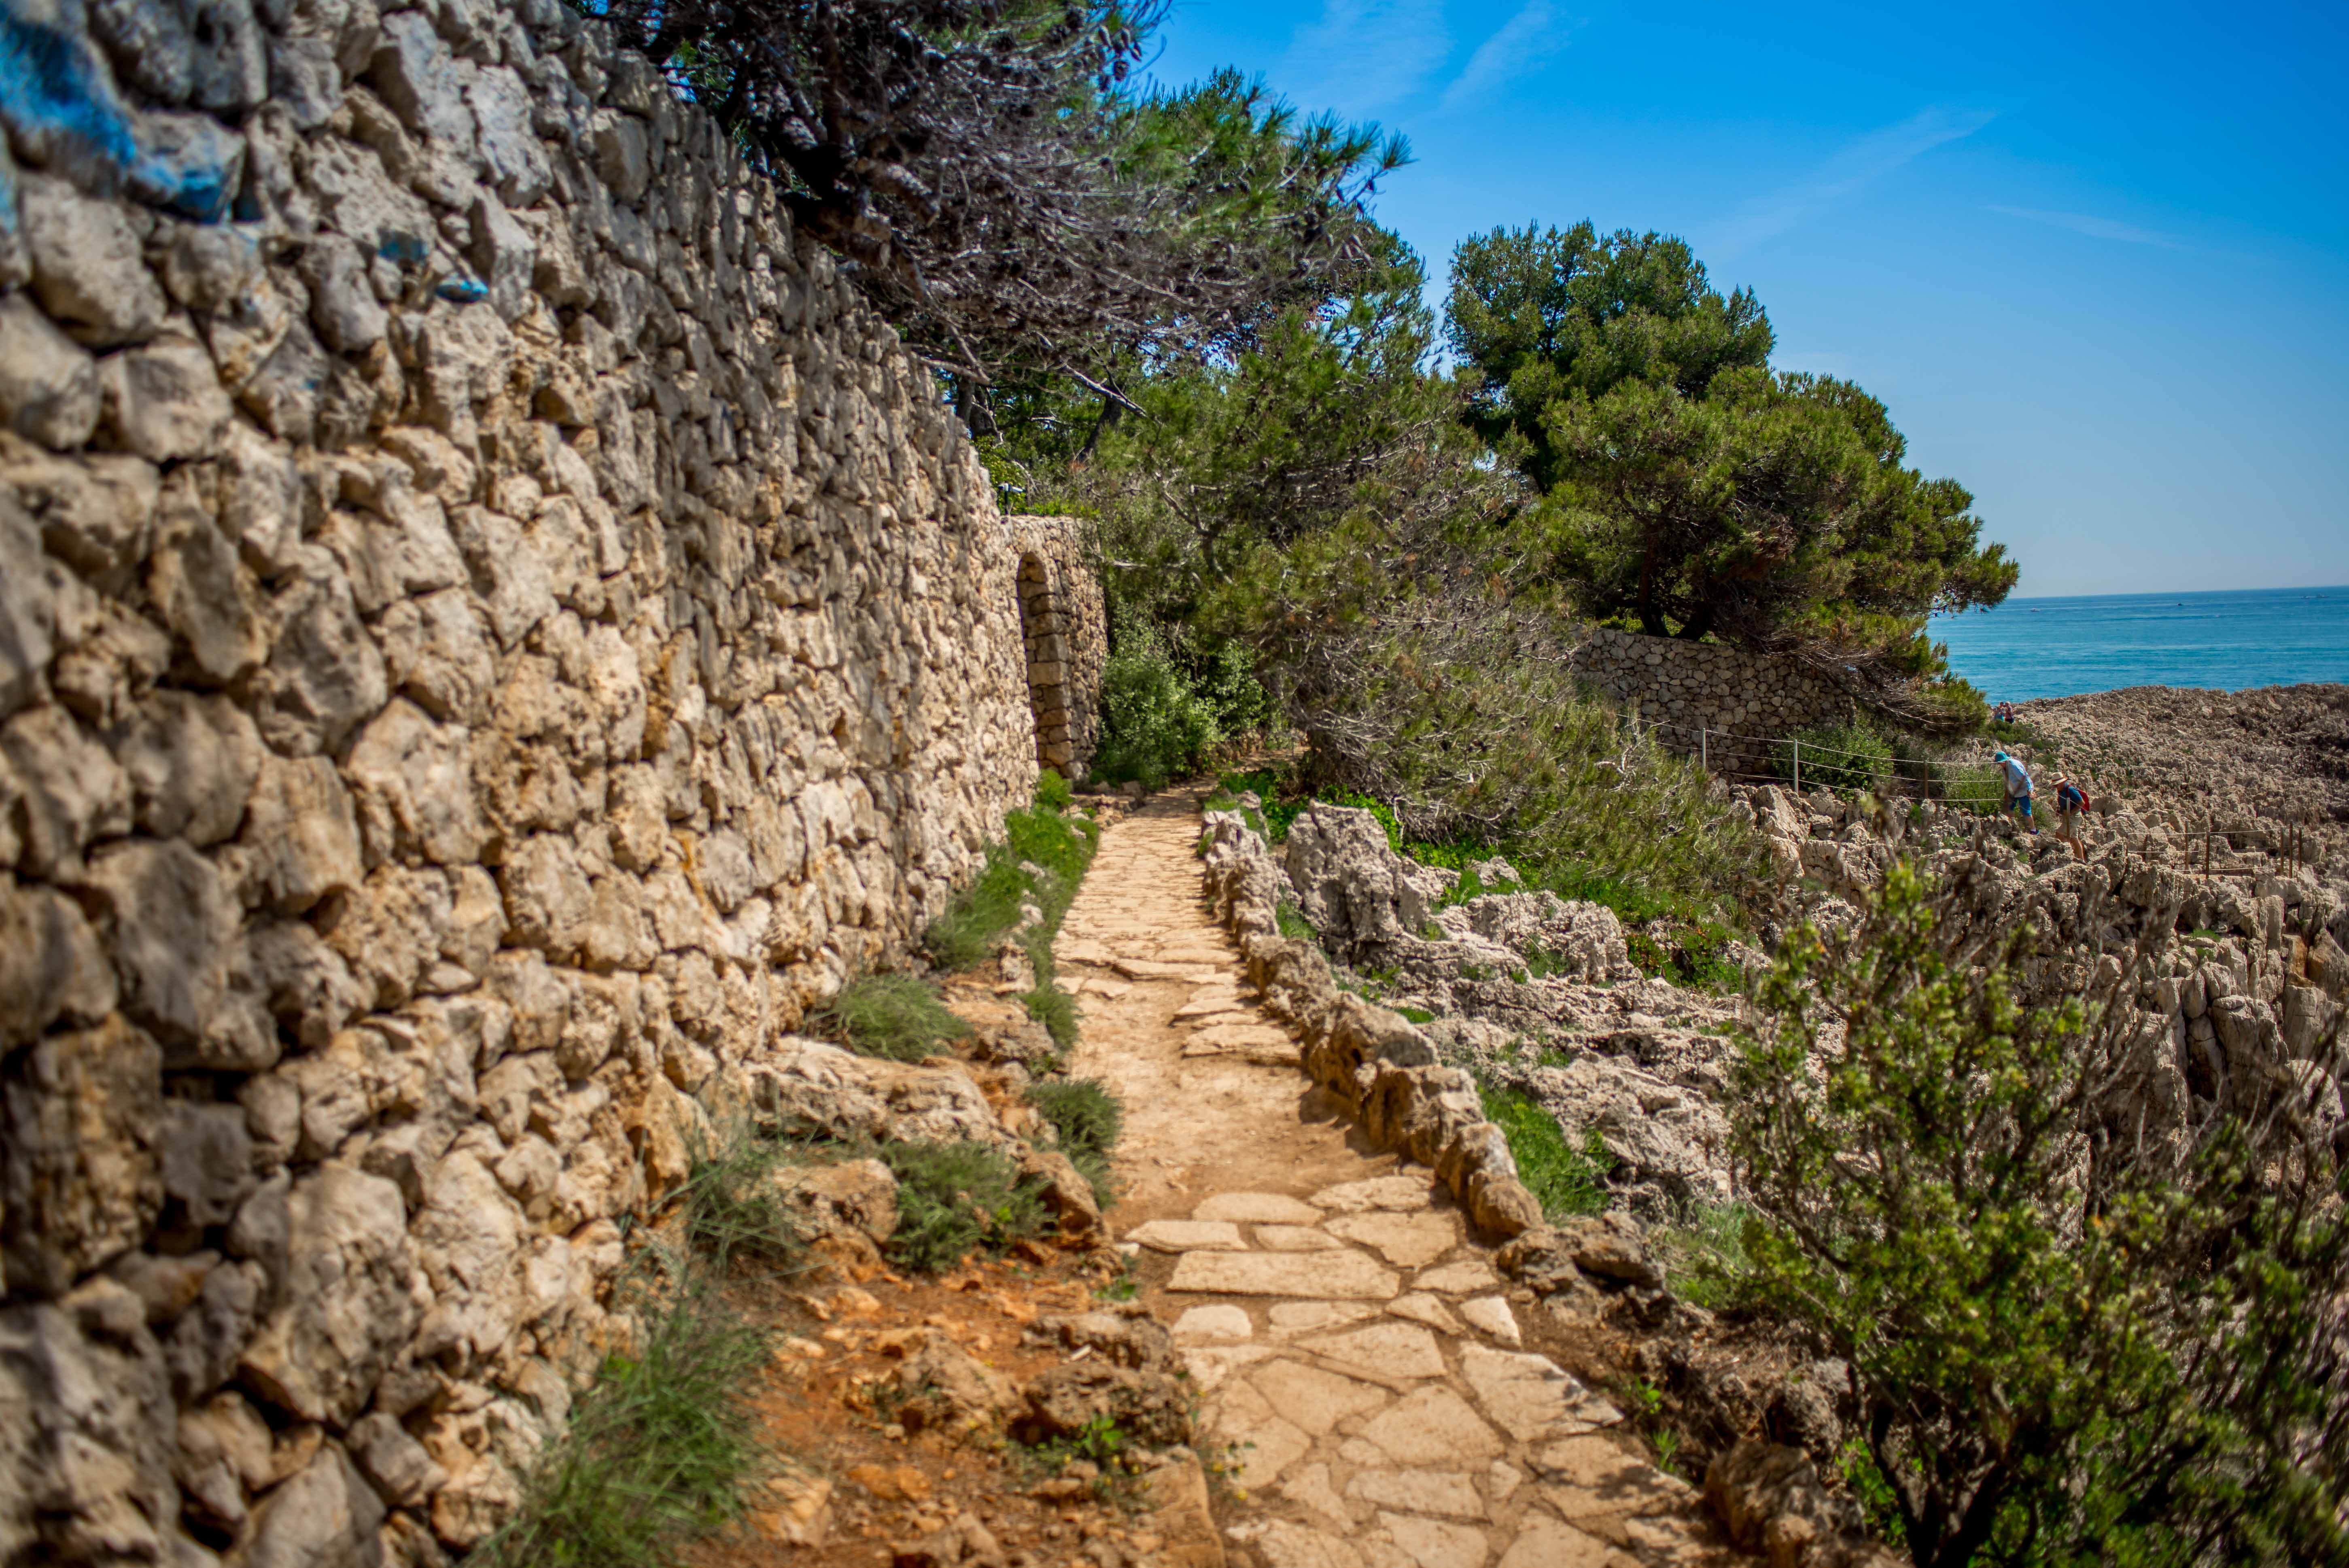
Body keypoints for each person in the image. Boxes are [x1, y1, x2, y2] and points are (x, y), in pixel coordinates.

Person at [1993, 749, 2036, 834]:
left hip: (2023, 791)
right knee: (2009, 808)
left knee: (2026, 811)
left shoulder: (2013, 766)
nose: (1999, 765)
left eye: (2000, 763)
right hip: (2012, 791)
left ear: (2005, 761)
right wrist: (2006, 793)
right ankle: (2013, 826)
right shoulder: (2005, 767)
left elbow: (2024, 777)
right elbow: (2008, 781)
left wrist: (2030, 790)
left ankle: (2033, 830)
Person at [2052, 772, 2090, 861]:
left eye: (2056, 785)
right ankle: (2082, 860)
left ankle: (2068, 855)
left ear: (2061, 783)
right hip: (2068, 817)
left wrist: (2071, 813)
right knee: (2074, 839)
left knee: (2059, 834)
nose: (2056, 787)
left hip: (2074, 817)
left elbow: (2081, 803)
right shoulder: (2061, 791)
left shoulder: (2071, 790)